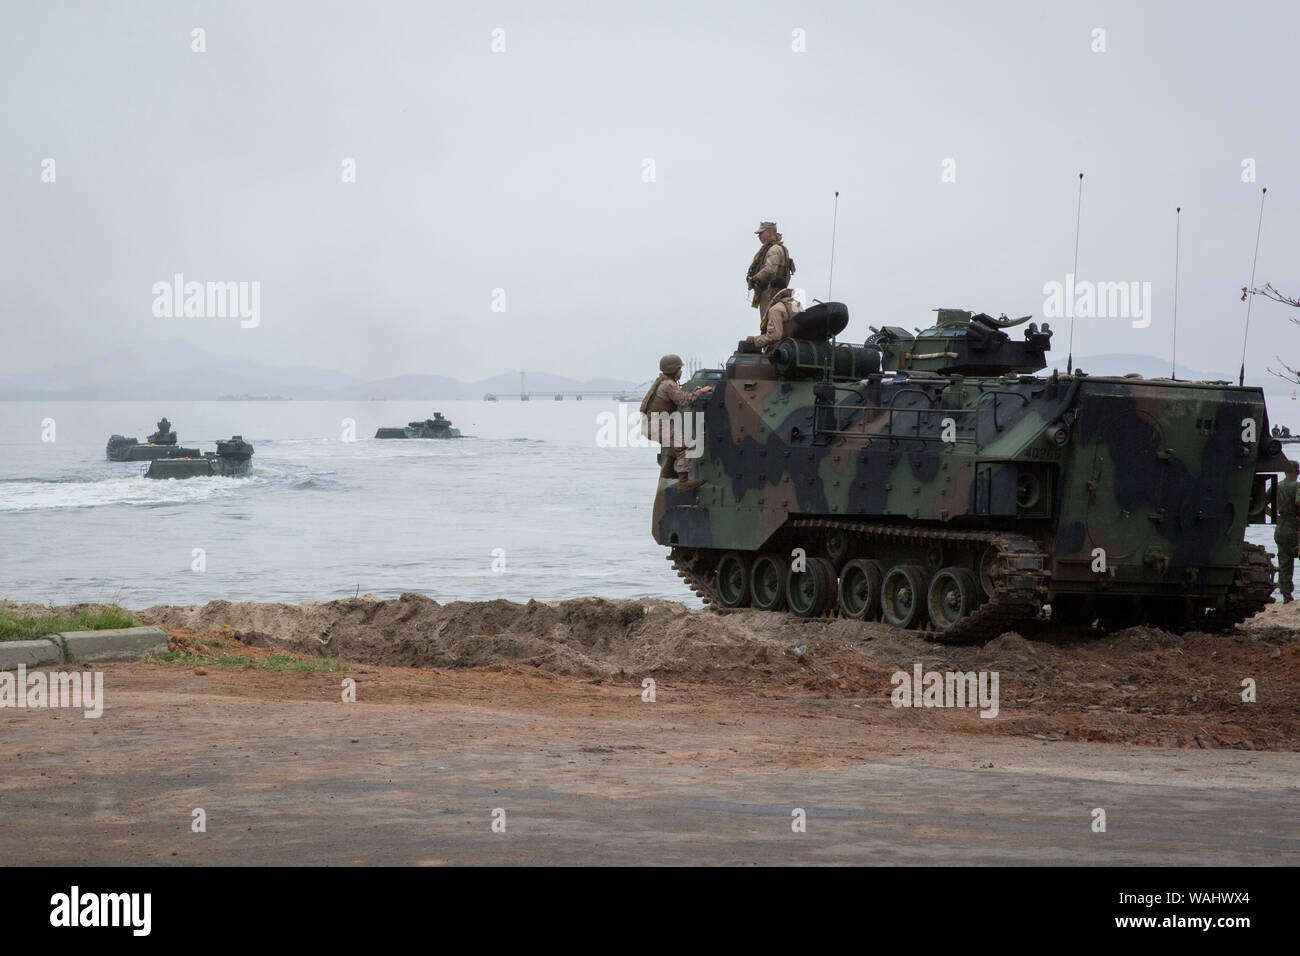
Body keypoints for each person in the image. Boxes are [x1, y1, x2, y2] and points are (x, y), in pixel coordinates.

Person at [640, 354, 712, 491]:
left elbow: (680, 397)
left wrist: (693, 392)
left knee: (675, 445)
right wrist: (701, 392)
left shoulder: (664, 383)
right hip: (658, 424)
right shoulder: (669, 385)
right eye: (679, 368)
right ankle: (683, 482)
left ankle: (668, 471)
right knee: (686, 446)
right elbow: (683, 402)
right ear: (673, 370)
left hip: (652, 424)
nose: (681, 371)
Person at [746, 221, 795, 322]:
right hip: (774, 292)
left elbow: (770, 270)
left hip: (770, 293)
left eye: (761, 233)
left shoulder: (774, 249)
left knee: (768, 324)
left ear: (769, 232)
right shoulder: (776, 249)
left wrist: (754, 278)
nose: (759, 236)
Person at [746, 276, 802, 353]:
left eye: (769, 291)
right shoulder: (796, 304)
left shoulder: (775, 310)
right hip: (799, 350)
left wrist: (755, 340)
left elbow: (774, 336)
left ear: (775, 291)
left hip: (781, 353)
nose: (768, 294)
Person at [1276, 460, 1300, 603]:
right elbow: (1298, 502)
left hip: (1281, 528)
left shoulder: (1277, 486)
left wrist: (1275, 517)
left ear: (1285, 471)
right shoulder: (1297, 486)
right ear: (1297, 473)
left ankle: (1286, 595)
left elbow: (1262, 503)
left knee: (1284, 563)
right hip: (1296, 529)